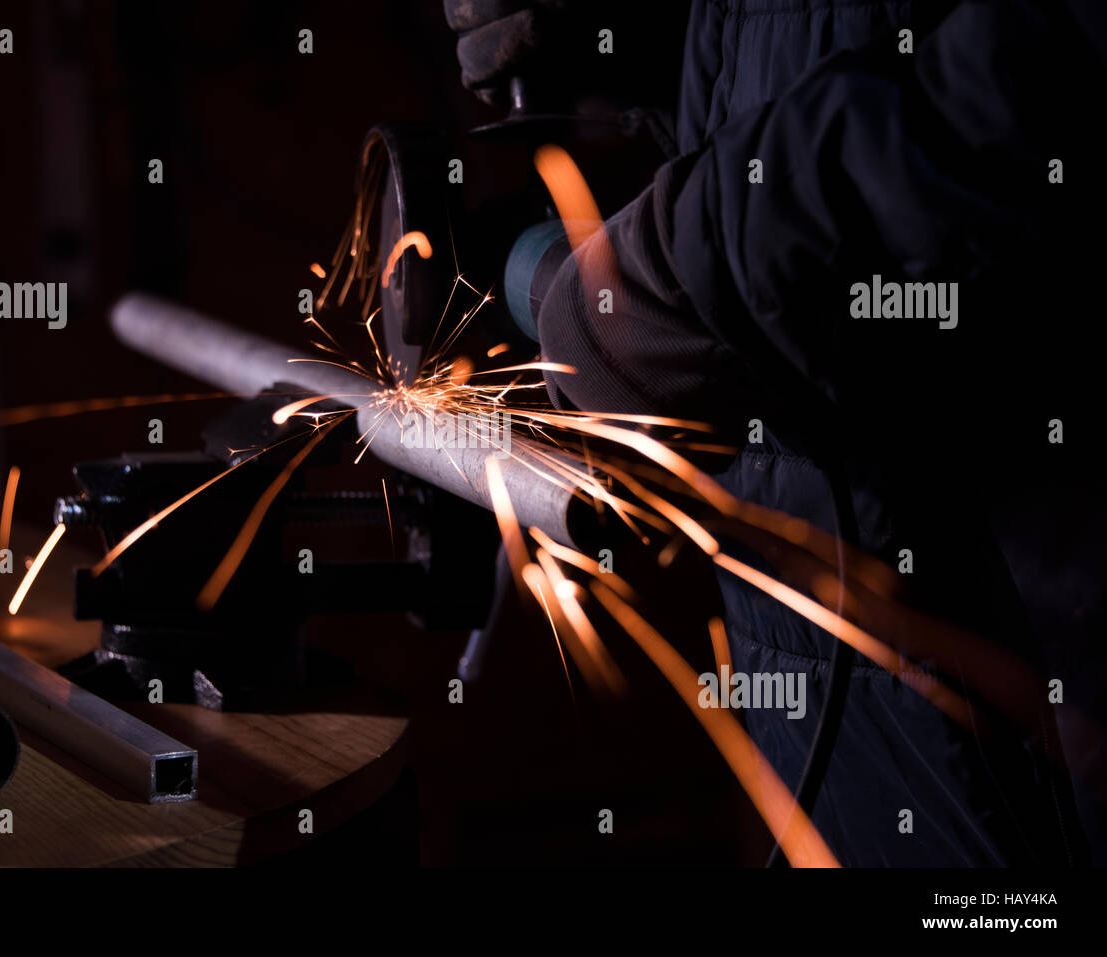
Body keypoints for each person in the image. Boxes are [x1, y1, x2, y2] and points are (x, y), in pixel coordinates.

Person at [447, 0, 1107, 865]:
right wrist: (648, 50)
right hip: (857, 746)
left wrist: (706, 254)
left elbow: (1052, 79)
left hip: (1058, 699)